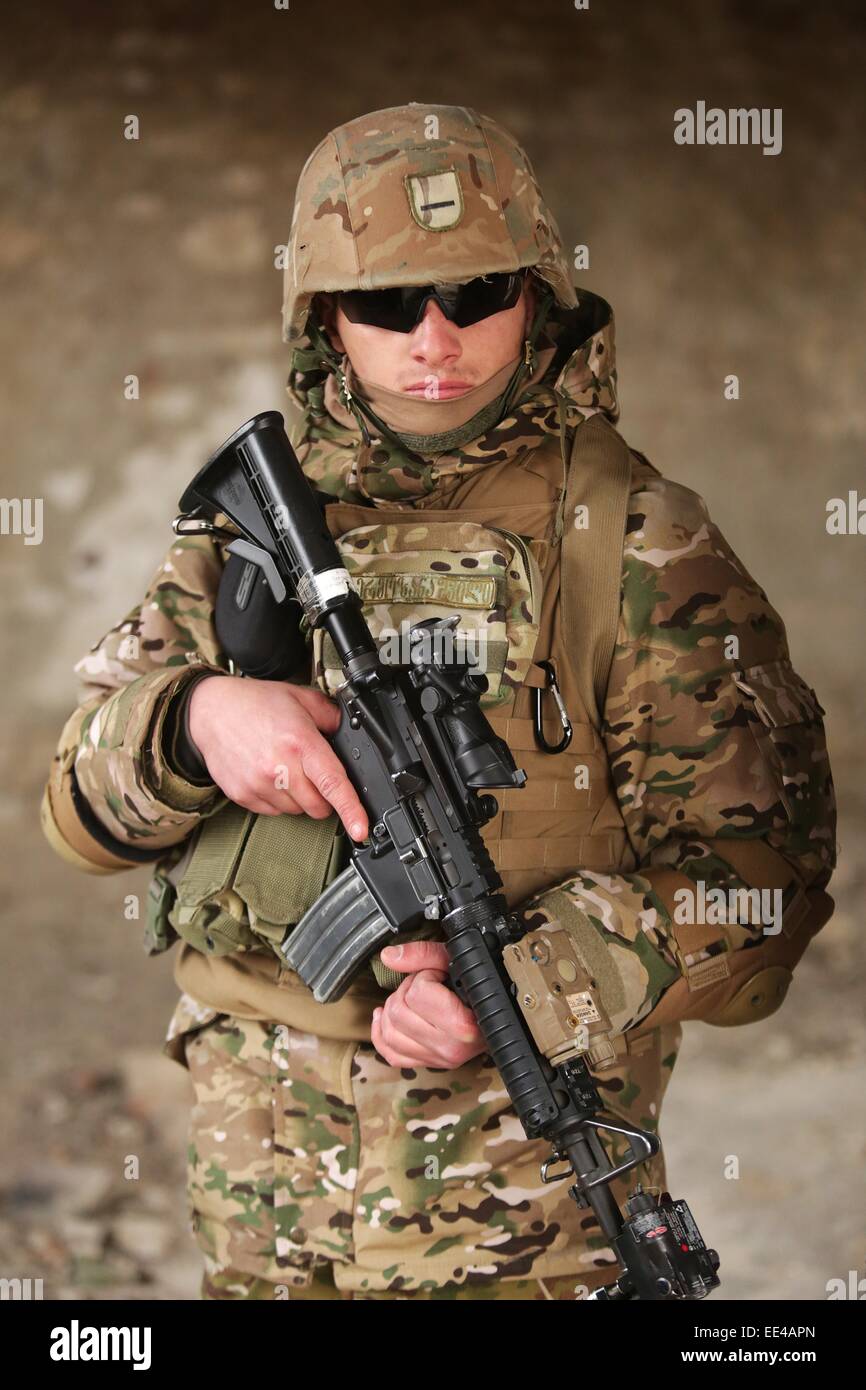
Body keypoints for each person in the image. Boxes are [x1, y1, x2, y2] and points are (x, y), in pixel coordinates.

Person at [41, 103, 837, 1301]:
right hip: (266, 1191)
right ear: (320, 316)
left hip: (524, 1205)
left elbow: (760, 887)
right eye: (385, 302)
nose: (433, 336)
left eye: (474, 295)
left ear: (536, 295)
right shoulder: (246, 531)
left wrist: (531, 986)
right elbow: (72, 812)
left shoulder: (634, 539)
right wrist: (194, 722)